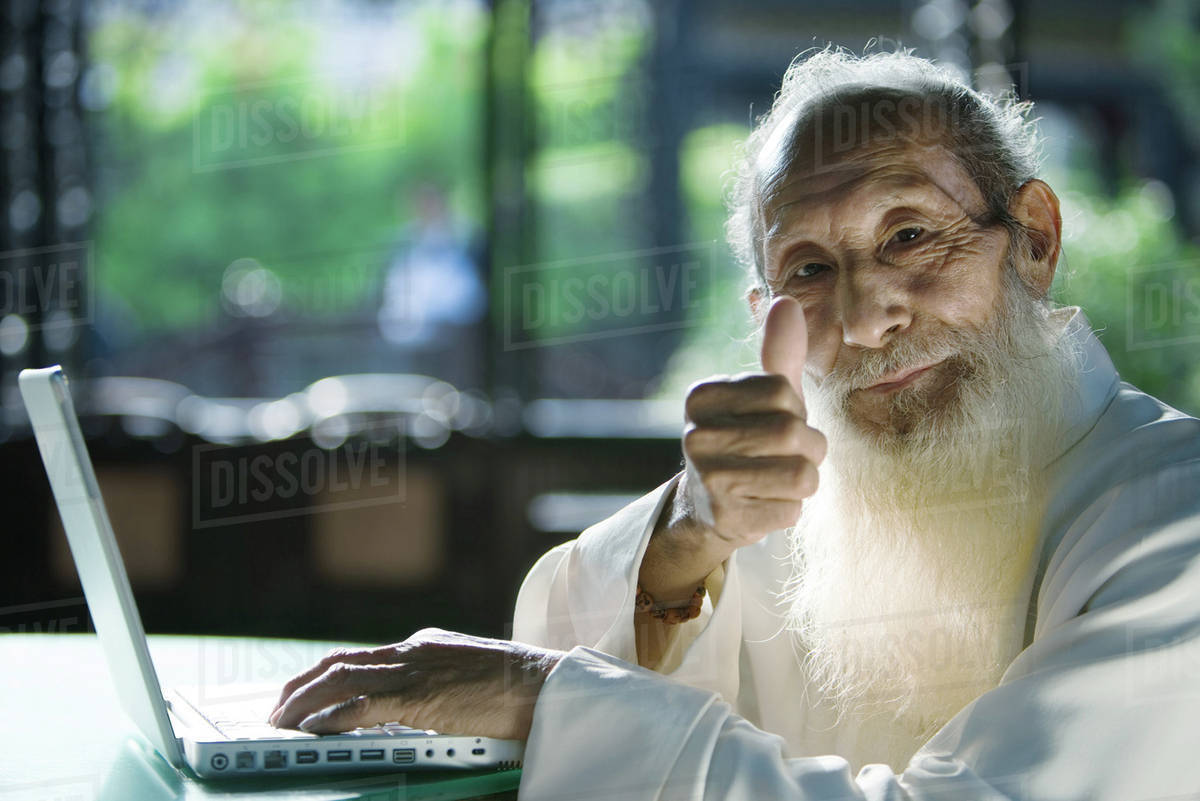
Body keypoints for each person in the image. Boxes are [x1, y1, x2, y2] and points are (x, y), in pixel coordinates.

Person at [268, 49, 1200, 800]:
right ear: (765, 316)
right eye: (809, 271)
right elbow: (569, 639)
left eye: (911, 234)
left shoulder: (1173, 510)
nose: (870, 315)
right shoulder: (806, 506)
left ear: (1034, 238)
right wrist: (683, 542)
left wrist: (546, 696)